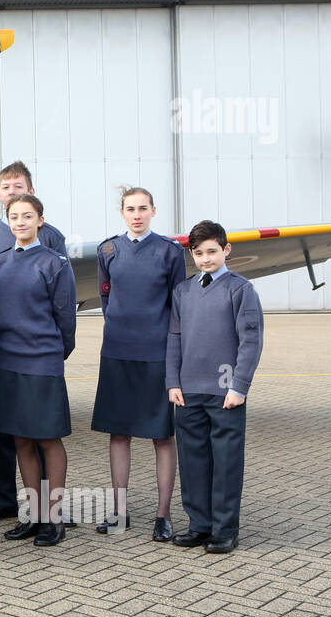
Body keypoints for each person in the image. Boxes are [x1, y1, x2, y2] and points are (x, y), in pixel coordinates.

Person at [0, 160, 67, 524]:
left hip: (39, 353)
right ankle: (4, 498)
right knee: (4, 427)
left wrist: (56, 349)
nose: (13, 193)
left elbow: (64, 306)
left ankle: (50, 511)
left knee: (43, 431)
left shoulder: (53, 240)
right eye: (6, 188)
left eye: (19, 186)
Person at [91, 187, 187, 541]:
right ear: (122, 213)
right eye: (130, 209)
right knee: (119, 433)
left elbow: (178, 305)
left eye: (143, 208)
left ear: (153, 211)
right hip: (117, 351)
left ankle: (163, 516)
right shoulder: (108, 250)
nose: (136, 214)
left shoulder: (170, 251)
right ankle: (119, 512)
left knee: (162, 435)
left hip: (157, 354)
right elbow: (105, 295)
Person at [167, 220, 263, 555]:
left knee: (225, 462)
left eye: (212, 251)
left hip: (226, 394)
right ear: (191, 254)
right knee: (193, 461)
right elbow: (174, 338)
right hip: (188, 391)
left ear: (226, 250)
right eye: (199, 253)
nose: (205, 258)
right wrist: (172, 382)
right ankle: (199, 524)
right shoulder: (183, 291)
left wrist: (240, 386)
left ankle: (224, 529)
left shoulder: (241, 289)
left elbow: (250, 341)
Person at [0, 194, 76, 547]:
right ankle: (34, 514)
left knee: (47, 438)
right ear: (7, 221)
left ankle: (53, 519)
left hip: (42, 361)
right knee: (21, 439)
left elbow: (65, 320)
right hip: (8, 360)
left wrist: (54, 353)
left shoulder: (55, 263)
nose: (20, 221)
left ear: (41, 220)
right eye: (14, 216)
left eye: (27, 216)